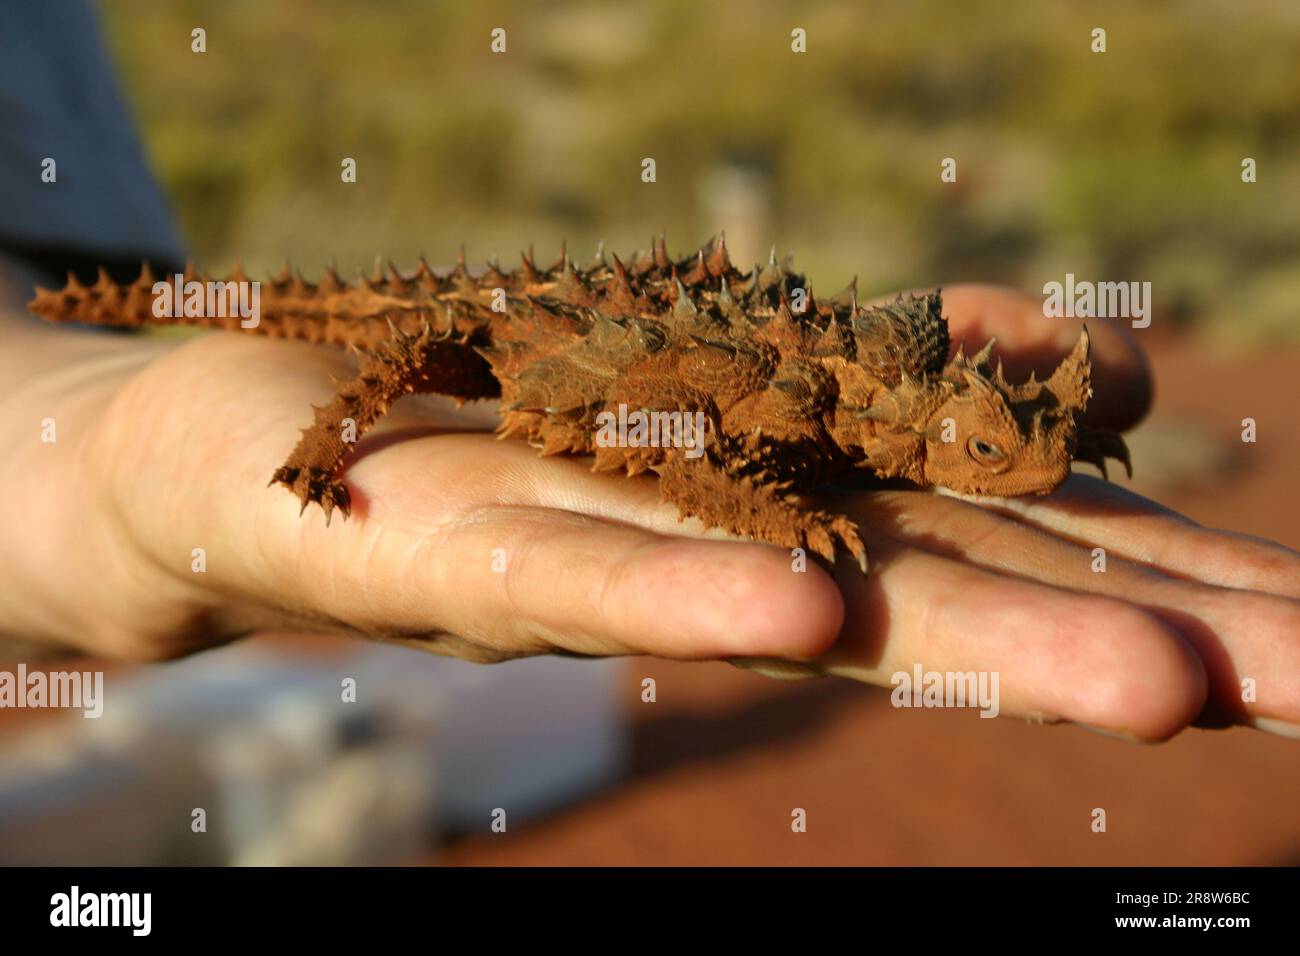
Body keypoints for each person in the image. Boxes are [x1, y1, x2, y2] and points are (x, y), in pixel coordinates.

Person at [1, 4, 1297, 745]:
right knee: (379, 327)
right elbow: (692, 453)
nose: (1011, 462)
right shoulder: (794, 408)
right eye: (987, 450)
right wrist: (334, 434)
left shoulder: (880, 374)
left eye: (1010, 444)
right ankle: (269, 389)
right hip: (532, 334)